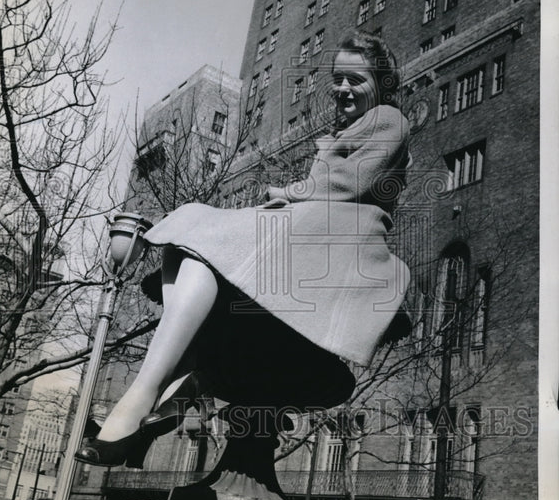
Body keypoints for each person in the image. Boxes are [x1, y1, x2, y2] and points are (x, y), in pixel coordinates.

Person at [75, 31, 411, 468]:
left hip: (342, 242)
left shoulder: (388, 118)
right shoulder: (346, 129)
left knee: (195, 225)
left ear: (381, 84)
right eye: (338, 79)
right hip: (312, 236)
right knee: (190, 241)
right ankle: (156, 402)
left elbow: (350, 184)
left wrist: (287, 192)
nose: (343, 88)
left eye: (356, 79)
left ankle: (148, 403)